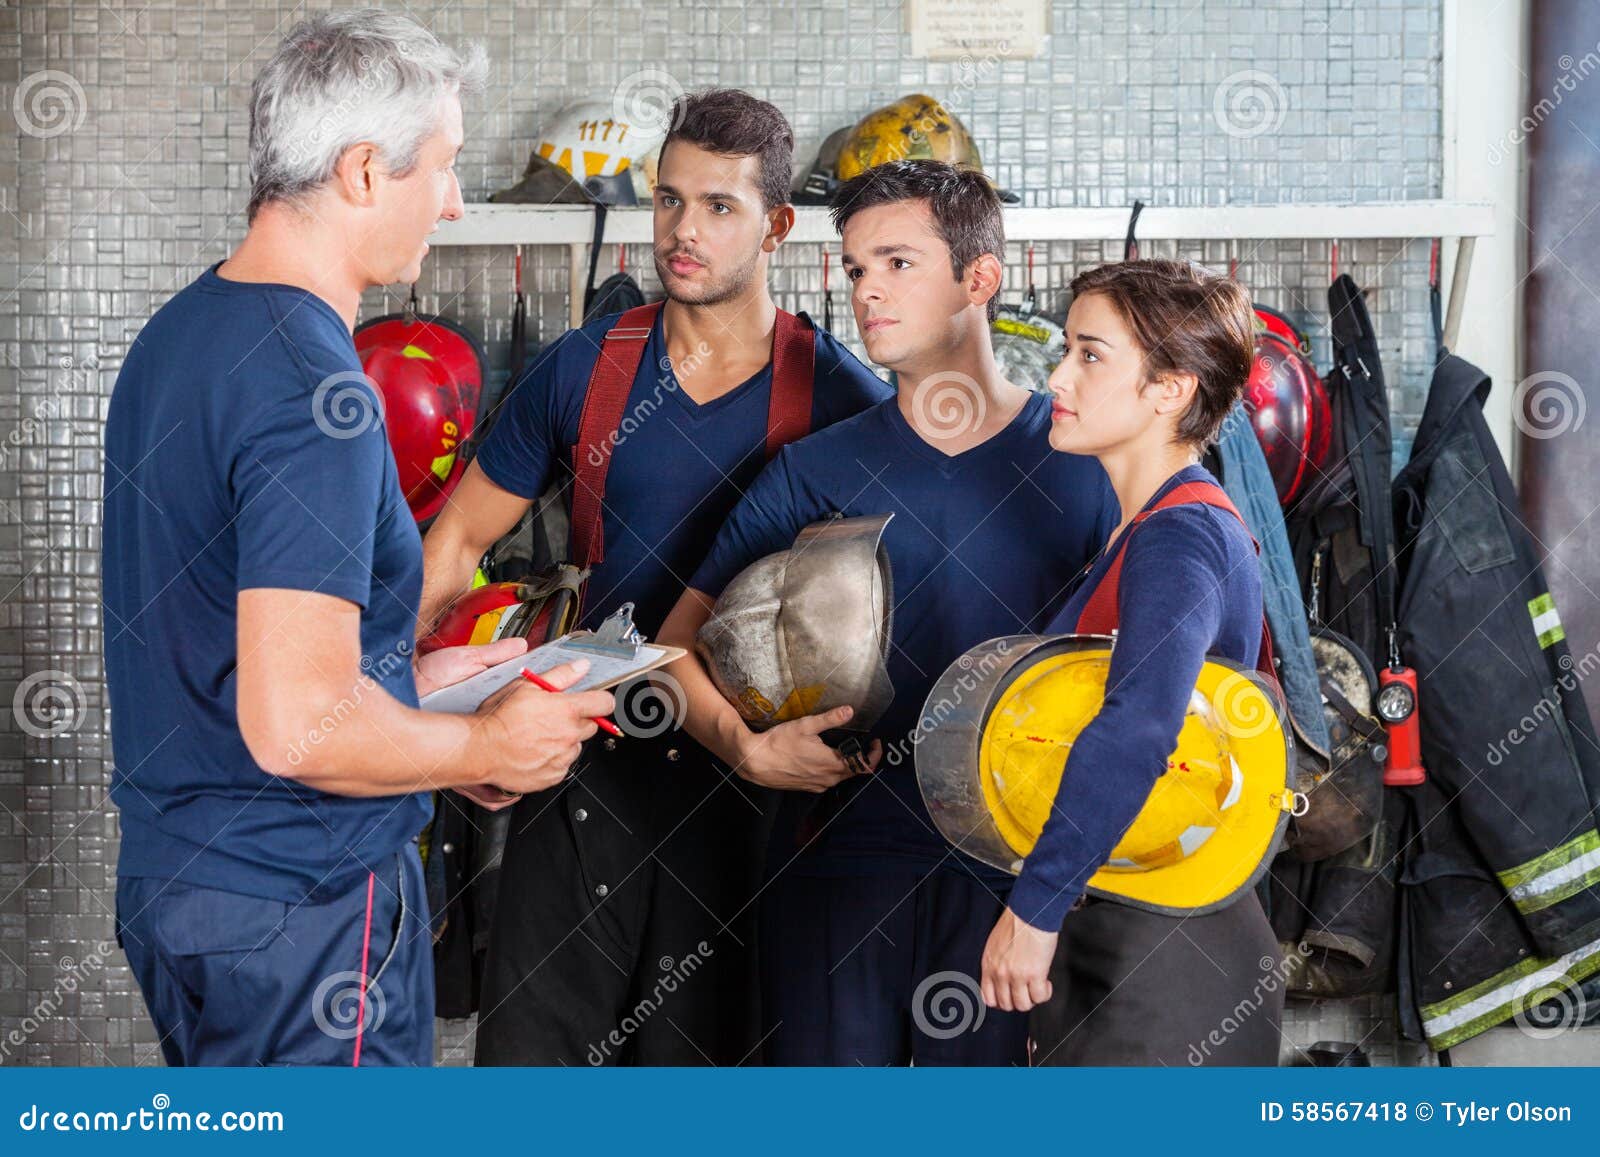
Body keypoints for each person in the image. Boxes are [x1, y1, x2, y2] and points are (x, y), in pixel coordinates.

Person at [102, 10, 611, 1067]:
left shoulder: (184, 334)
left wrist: (413, 681)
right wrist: (487, 743)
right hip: (304, 906)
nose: (458, 202)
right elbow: (297, 730)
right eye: (446, 168)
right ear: (364, 172)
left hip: (189, 890)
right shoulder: (312, 392)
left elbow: (242, 656)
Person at [418, 89, 893, 1066]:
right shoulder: (587, 368)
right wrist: (393, 708)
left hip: (744, 804)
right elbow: (456, 539)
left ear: (776, 224)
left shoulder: (839, 395)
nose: (684, 229)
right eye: (669, 199)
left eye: (718, 205)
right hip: (576, 778)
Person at [656, 160, 1118, 1065]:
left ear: (978, 280)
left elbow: (1150, 679)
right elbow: (671, 647)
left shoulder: (1085, 467)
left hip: (1016, 884)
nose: (866, 289)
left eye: (897, 263)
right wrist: (742, 746)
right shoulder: (813, 470)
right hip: (839, 867)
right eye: (856, 267)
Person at [977, 258, 1283, 1066]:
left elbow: (1143, 727)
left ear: (1170, 390)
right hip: (1128, 929)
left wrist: (1034, 909)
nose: (1056, 375)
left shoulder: (1180, 534)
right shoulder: (1141, 529)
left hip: (1170, 959)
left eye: (1089, 353)